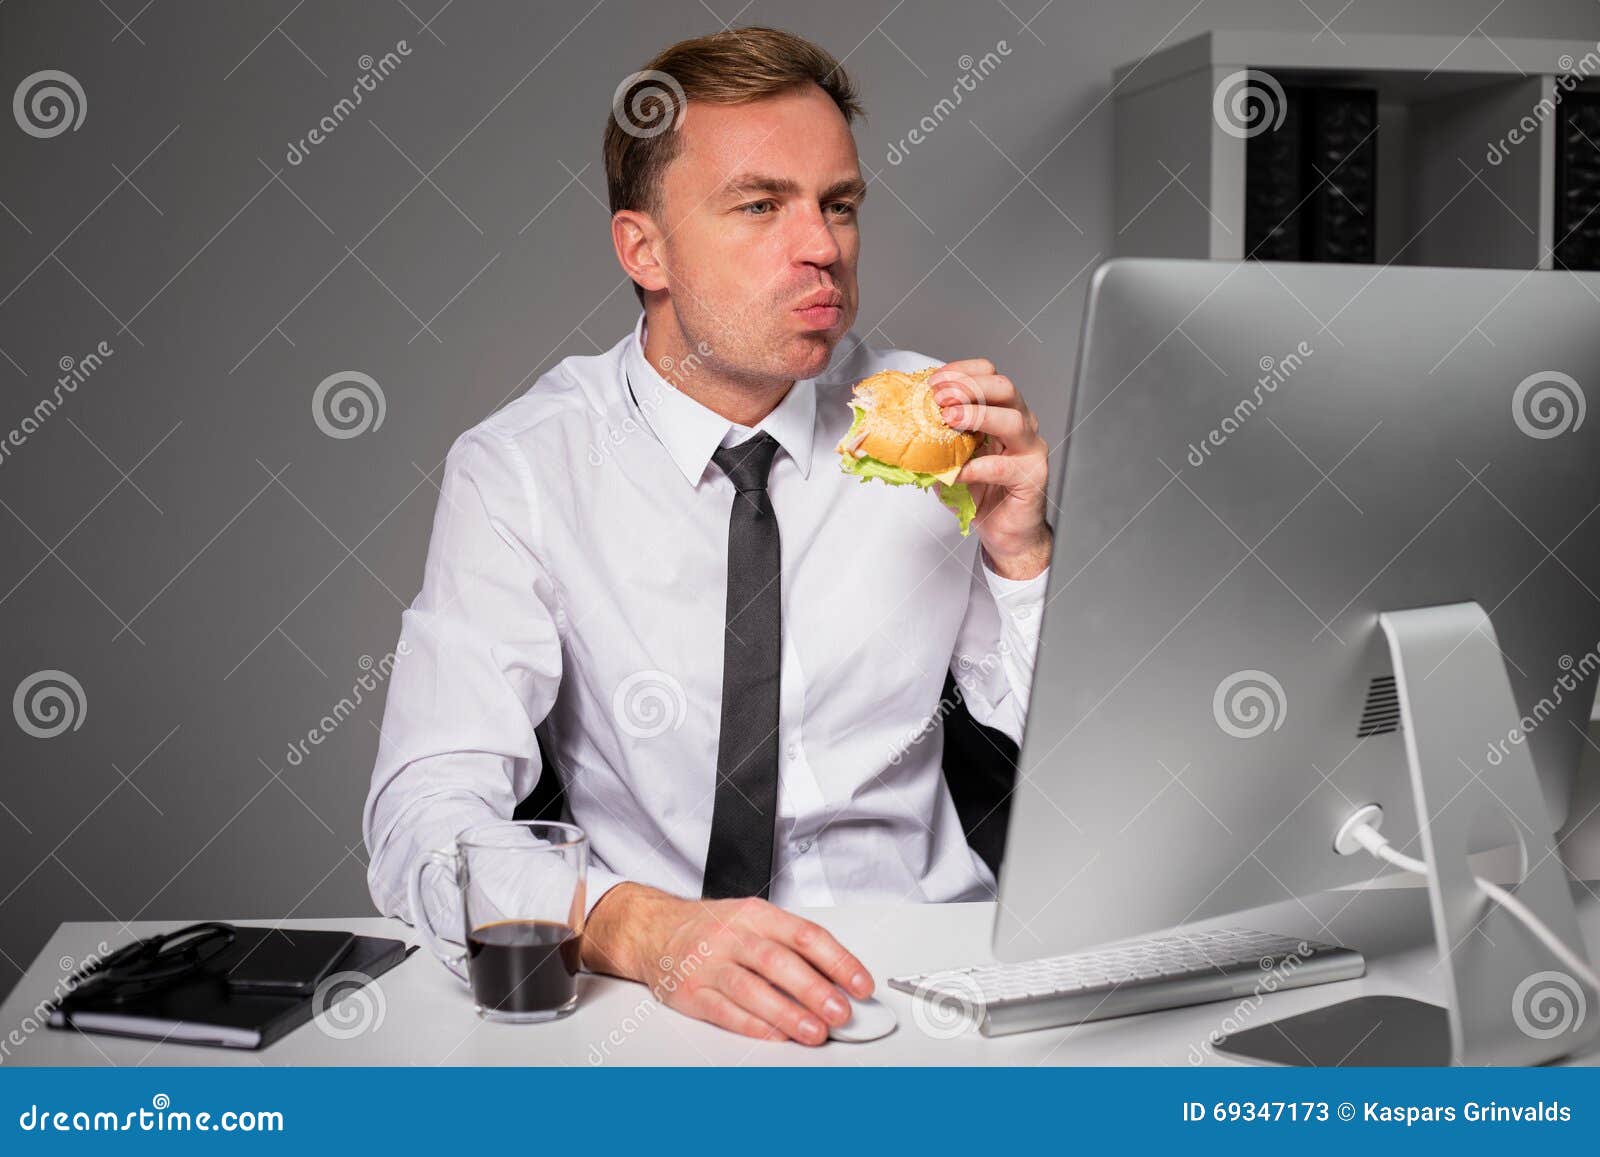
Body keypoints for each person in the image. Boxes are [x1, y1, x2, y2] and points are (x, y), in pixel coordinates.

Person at [362, 26, 1054, 1047]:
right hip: (649, 992)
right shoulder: (523, 467)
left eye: (840, 204)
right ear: (645, 249)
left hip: (929, 975)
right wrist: (629, 924)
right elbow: (423, 809)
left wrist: (1025, 557)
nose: (821, 245)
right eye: (761, 205)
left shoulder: (937, 432)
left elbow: (1105, 767)